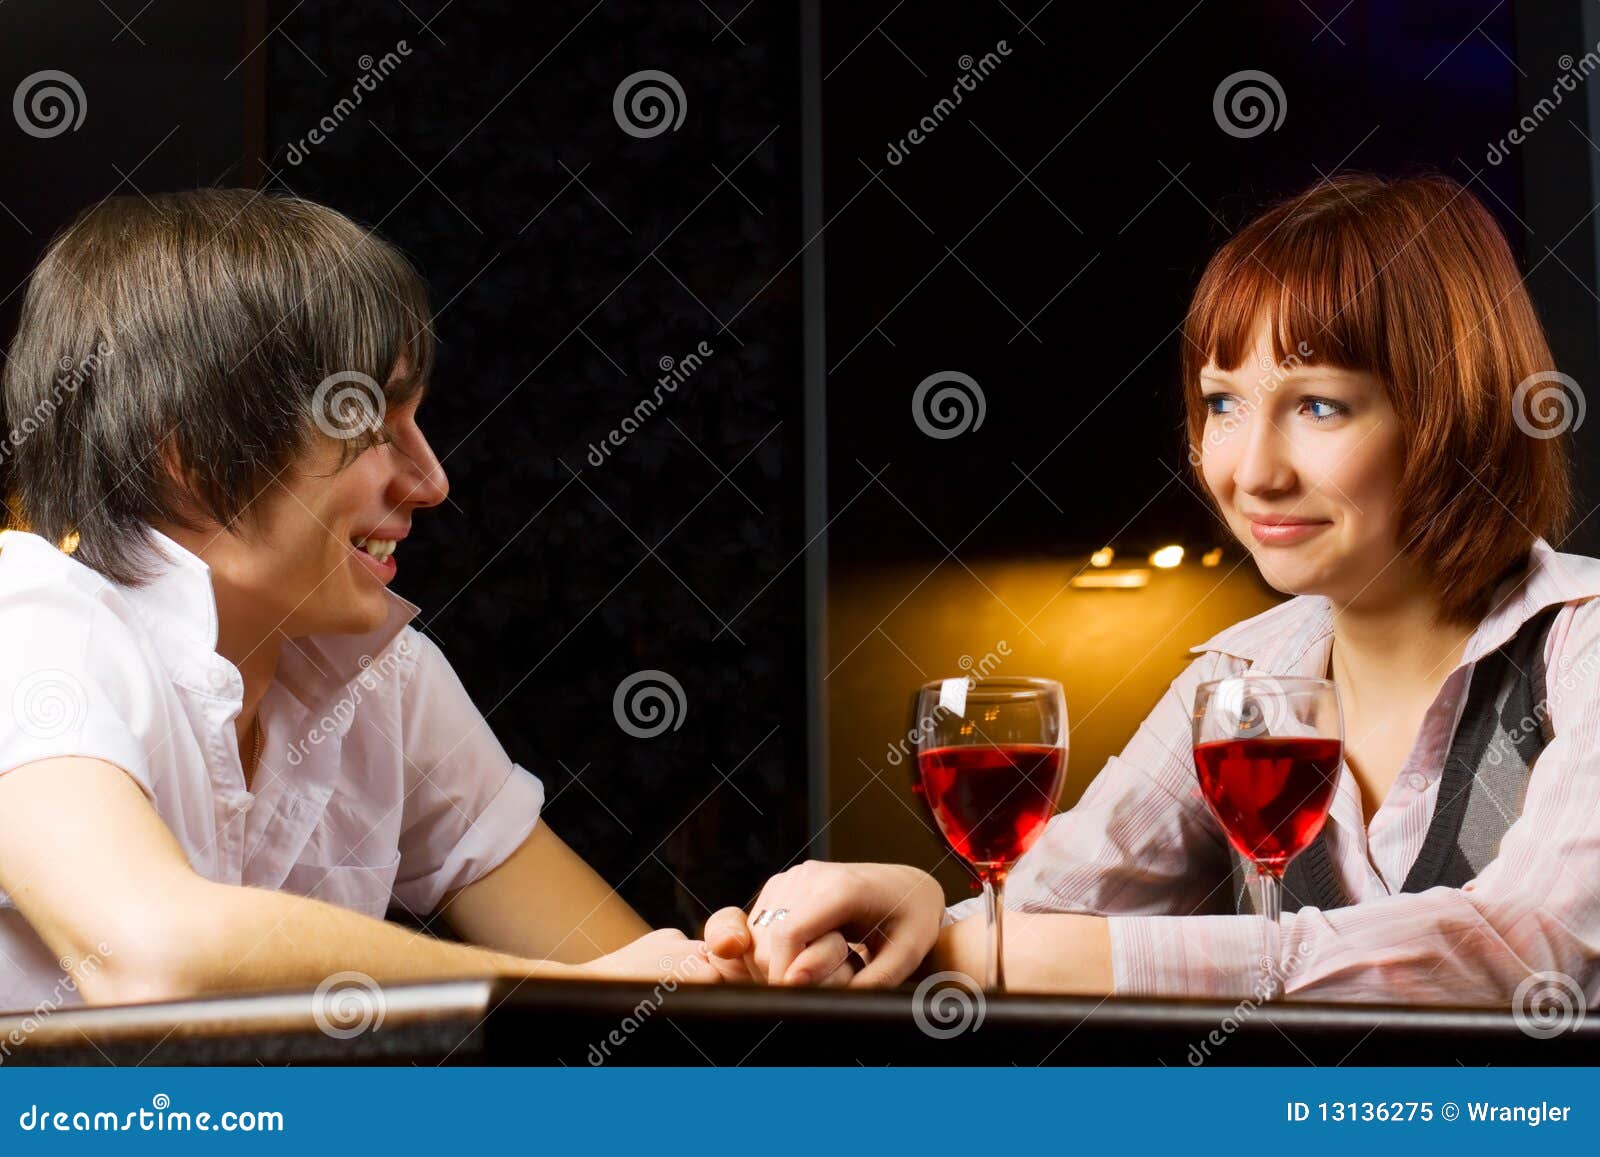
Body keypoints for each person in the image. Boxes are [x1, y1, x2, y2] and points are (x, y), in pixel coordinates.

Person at [707, 172, 1600, 1006]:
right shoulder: (1238, 679)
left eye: (1318, 405)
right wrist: (891, 920)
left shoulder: (1581, 647)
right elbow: (1042, 911)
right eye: (1222, 403)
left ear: (1455, 413)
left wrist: (980, 951)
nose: (1252, 472)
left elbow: (1529, 948)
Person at [0, 189, 737, 1013]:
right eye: (372, 426)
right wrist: (569, 991)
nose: (431, 481)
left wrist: (763, 958)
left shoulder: (385, 679)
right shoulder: (26, 620)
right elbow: (151, 955)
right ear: (190, 453)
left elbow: (649, 1007)